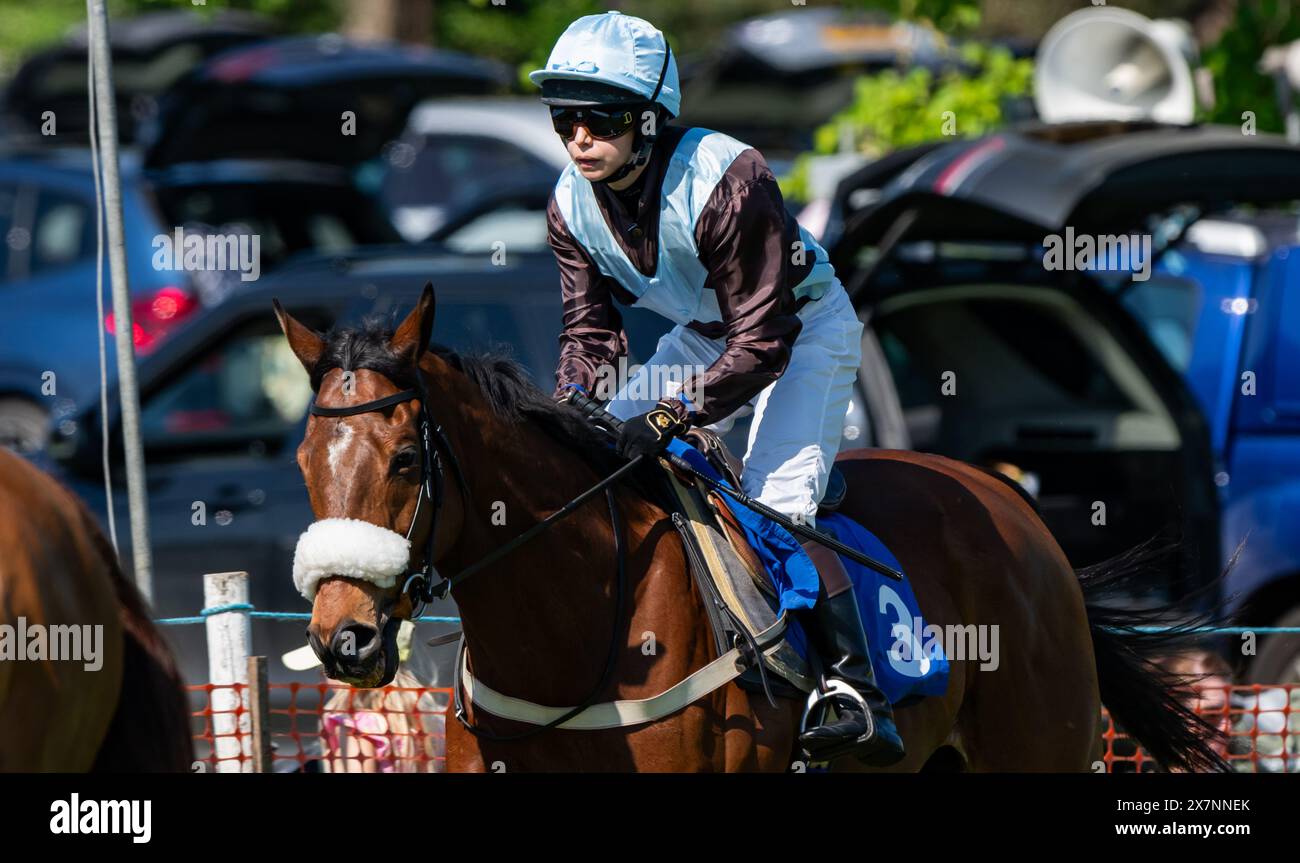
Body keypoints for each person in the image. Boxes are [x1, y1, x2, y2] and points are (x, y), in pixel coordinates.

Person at [531, 11, 903, 765]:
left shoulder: (730, 178)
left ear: (646, 118)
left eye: (596, 118)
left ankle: (850, 686)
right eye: (564, 117)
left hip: (800, 332)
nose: (577, 137)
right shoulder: (569, 203)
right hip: (702, 334)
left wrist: (668, 413)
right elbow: (591, 335)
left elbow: (763, 343)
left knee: (774, 502)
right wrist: (571, 407)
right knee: (591, 461)